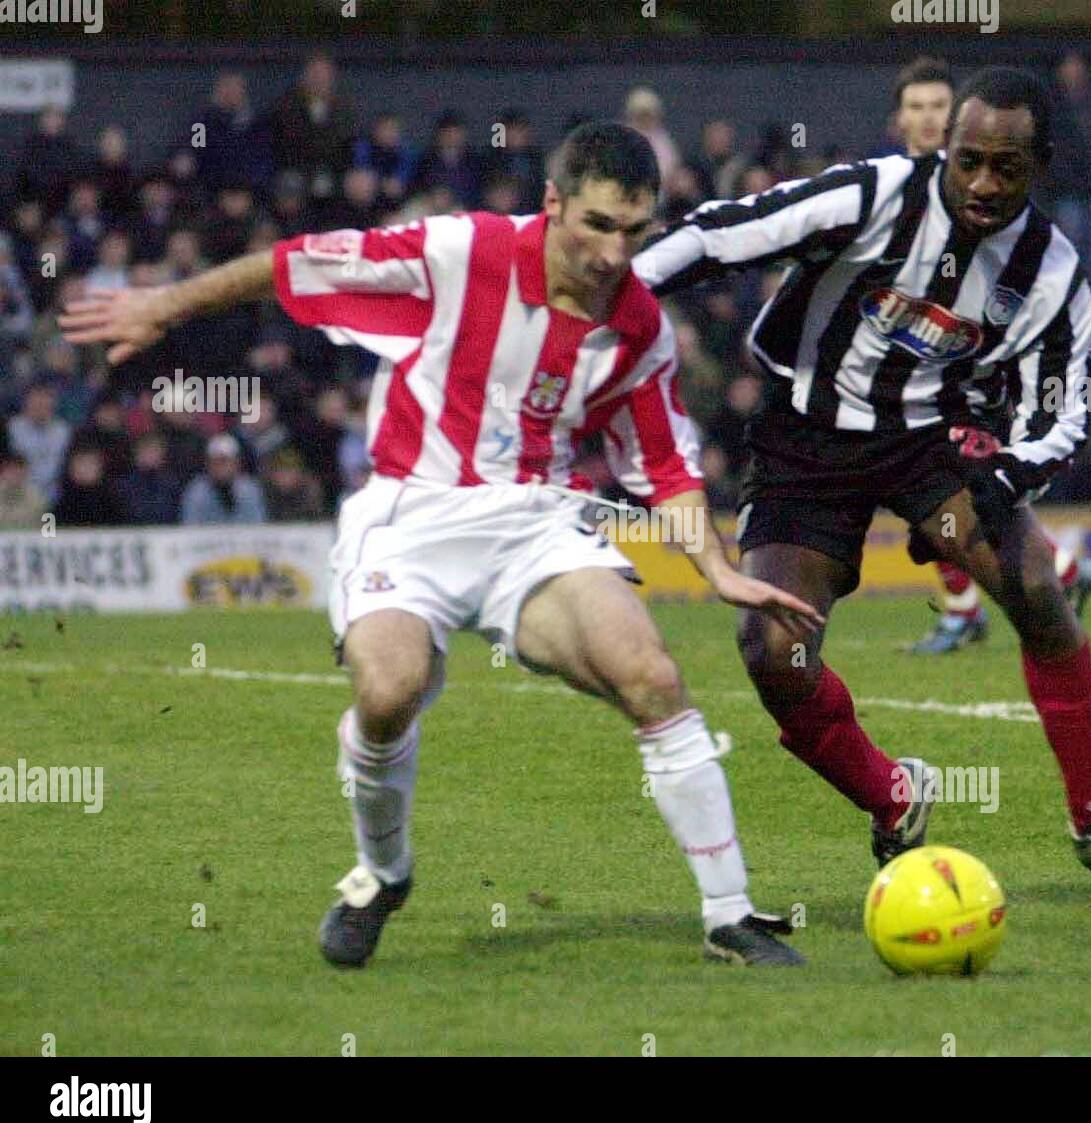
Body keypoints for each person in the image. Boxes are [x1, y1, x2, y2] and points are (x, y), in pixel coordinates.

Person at [61, 122, 825, 968]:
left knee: (650, 674)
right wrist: (162, 306)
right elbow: (295, 262)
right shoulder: (461, 251)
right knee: (389, 691)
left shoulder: (637, 326)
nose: (615, 253)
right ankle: (382, 873)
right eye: (598, 226)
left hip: (537, 526)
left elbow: (666, 464)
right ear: (553, 204)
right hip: (412, 513)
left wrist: (716, 566)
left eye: (635, 232)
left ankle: (730, 914)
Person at [634, 68, 1091, 896]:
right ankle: (895, 796)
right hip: (806, 443)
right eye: (968, 162)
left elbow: (1060, 416)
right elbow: (719, 234)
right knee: (772, 650)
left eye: (1007, 167)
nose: (984, 184)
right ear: (943, 150)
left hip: (929, 448)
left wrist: (1006, 475)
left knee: (1036, 583)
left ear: (1038, 167)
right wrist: (612, 294)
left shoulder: (1051, 272)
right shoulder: (873, 195)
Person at [885, 57, 1091, 656]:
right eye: (917, 106)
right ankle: (1059, 571)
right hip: (908, 370)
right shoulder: (885, 197)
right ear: (899, 118)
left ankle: (979, 606)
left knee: (938, 484)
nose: (928, 117)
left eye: (938, 106)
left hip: (971, 376)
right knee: (925, 490)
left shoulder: (988, 198)